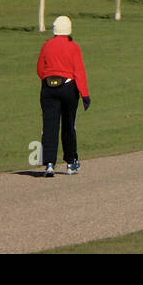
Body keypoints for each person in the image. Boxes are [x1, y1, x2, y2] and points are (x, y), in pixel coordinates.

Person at [36, 15, 90, 177]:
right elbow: (79, 72)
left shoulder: (47, 46)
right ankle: (70, 162)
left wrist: (48, 80)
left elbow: (40, 69)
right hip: (68, 88)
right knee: (68, 125)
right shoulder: (73, 47)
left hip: (48, 88)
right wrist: (85, 95)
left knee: (49, 126)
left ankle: (49, 164)